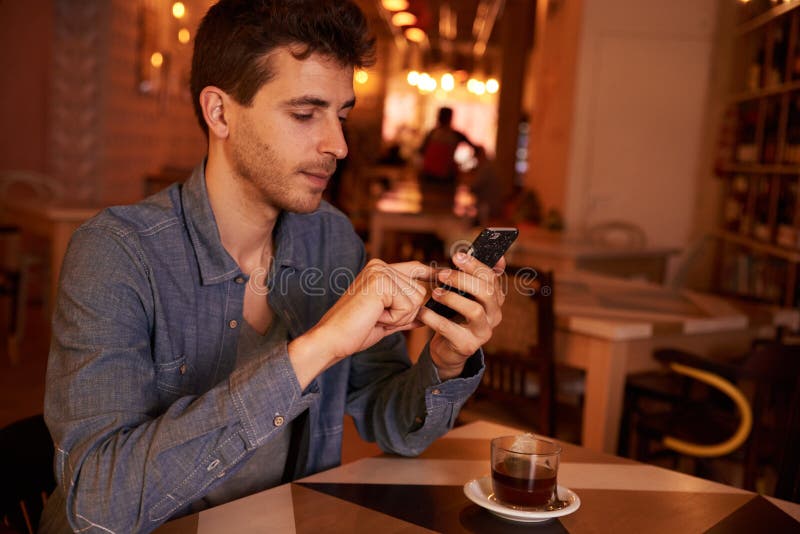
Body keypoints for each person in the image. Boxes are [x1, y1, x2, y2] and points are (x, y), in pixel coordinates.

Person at [40, 1, 507, 532]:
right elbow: (94, 501)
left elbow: (396, 424)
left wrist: (444, 362)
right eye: (305, 114)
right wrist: (316, 349)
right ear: (220, 113)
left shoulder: (331, 240)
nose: (338, 145)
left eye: (342, 115)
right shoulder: (116, 254)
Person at [418, 106, 477, 211]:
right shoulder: (454, 134)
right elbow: (476, 149)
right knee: (444, 210)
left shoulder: (432, 133)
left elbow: (421, 152)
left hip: (432, 178)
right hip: (444, 179)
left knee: (429, 208)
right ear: (450, 118)